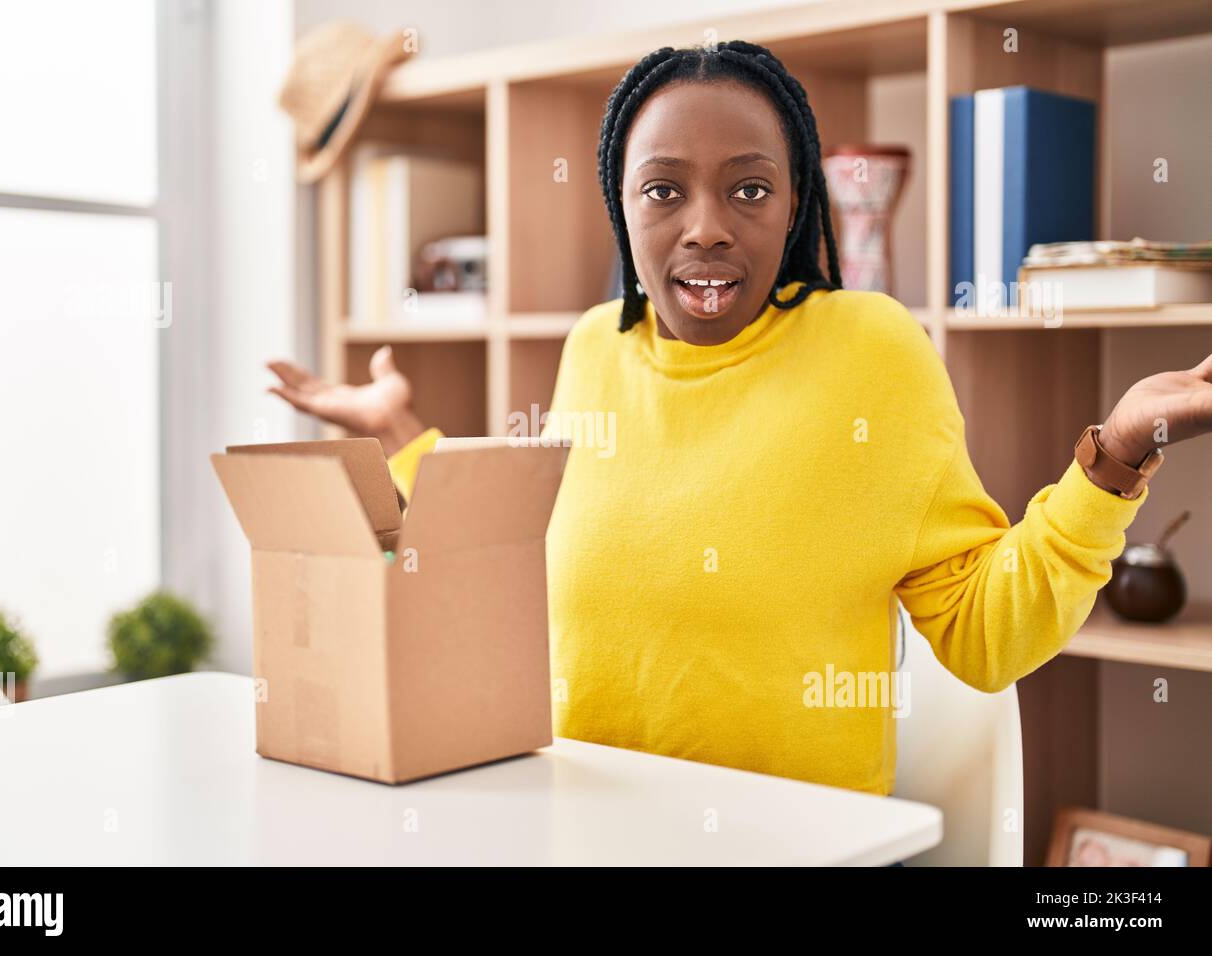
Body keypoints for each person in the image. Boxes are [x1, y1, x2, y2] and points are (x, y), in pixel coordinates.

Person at [267, 41, 1212, 798]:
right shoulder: (595, 345)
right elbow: (522, 543)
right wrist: (399, 433)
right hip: (581, 832)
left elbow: (987, 635)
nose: (707, 225)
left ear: (796, 201)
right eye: (664, 189)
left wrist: (1114, 458)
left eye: (750, 188)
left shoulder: (871, 351)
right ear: (621, 206)